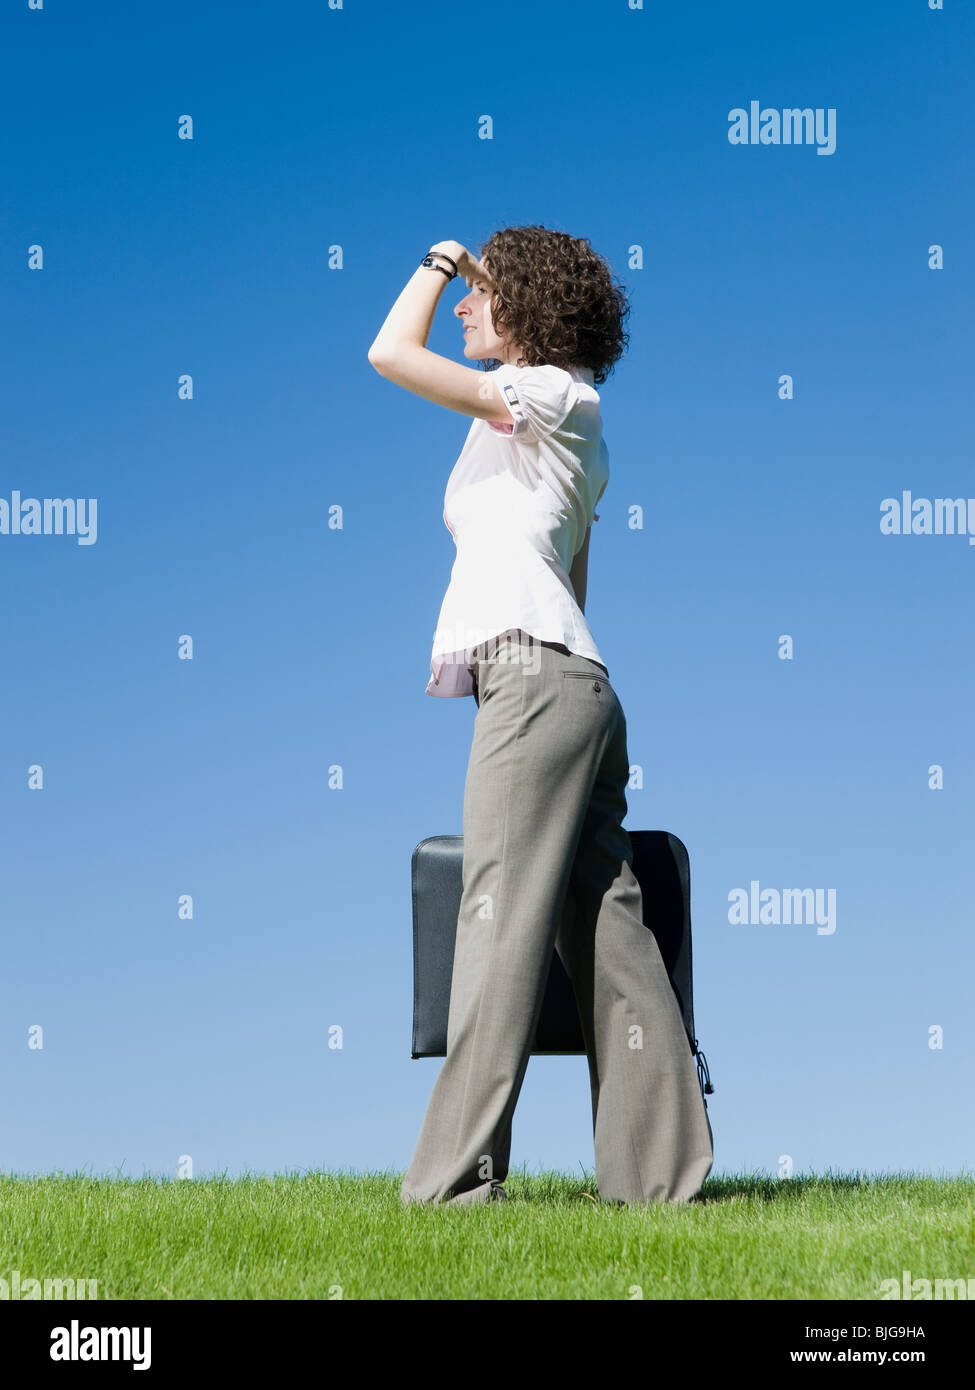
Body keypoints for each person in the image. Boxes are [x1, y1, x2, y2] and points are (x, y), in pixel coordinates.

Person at [367, 224, 714, 1206]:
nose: (464, 305)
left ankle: (453, 1183)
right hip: (567, 684)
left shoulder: (557, 393)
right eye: (462, 289)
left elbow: (389, 353)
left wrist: (436, 258)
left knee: (496, 920)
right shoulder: (533, 422)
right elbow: (574, 576)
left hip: (539, 685)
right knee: (607, 931)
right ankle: (658, 1183)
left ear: (523, 309)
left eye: (481, 293)